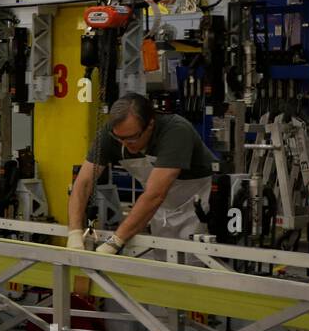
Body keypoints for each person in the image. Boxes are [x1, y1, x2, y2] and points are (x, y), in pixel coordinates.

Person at [66, 93, 215, 256]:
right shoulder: (113, 133)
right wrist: (74, 232)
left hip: (198, 211)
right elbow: (84, 183)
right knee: (163, 265)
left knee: (195, 268)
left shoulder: (176, 131)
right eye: (120, 138)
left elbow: (155, 194)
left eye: (132, 138)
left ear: (150, 125)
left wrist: (114, 243)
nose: (125, 144)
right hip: (160, 212)